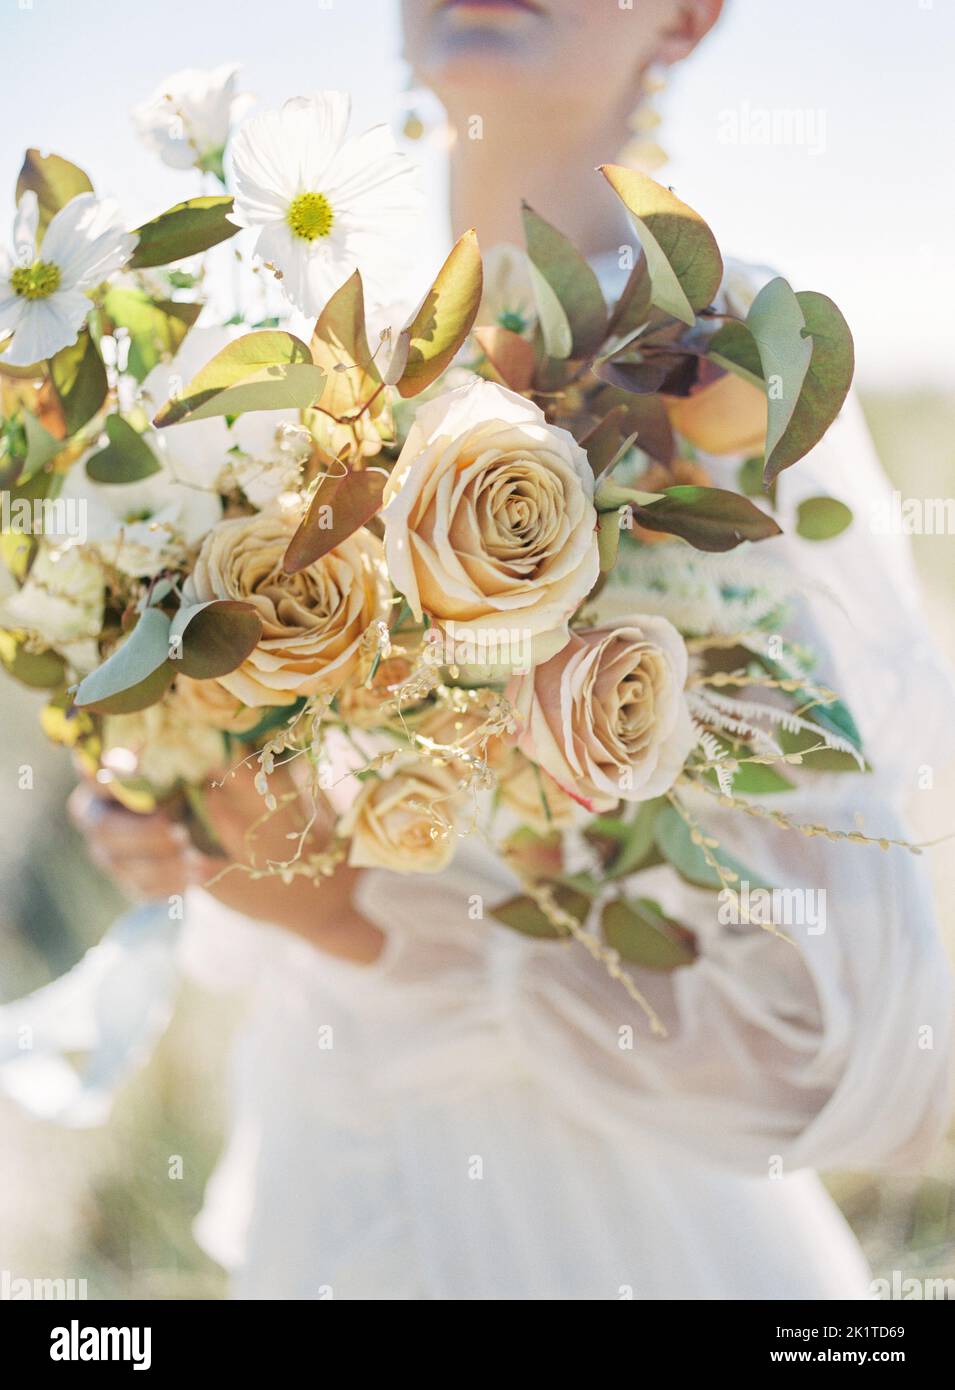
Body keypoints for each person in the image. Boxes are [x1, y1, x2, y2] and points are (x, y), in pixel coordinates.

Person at [69, 0, 954, 1299]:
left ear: (690, 17)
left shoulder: (707, 372)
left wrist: (347, 915)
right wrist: (179, 796)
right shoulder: (330, 366)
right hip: (332, 1196)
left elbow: (832, 1049)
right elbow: (288, 851)